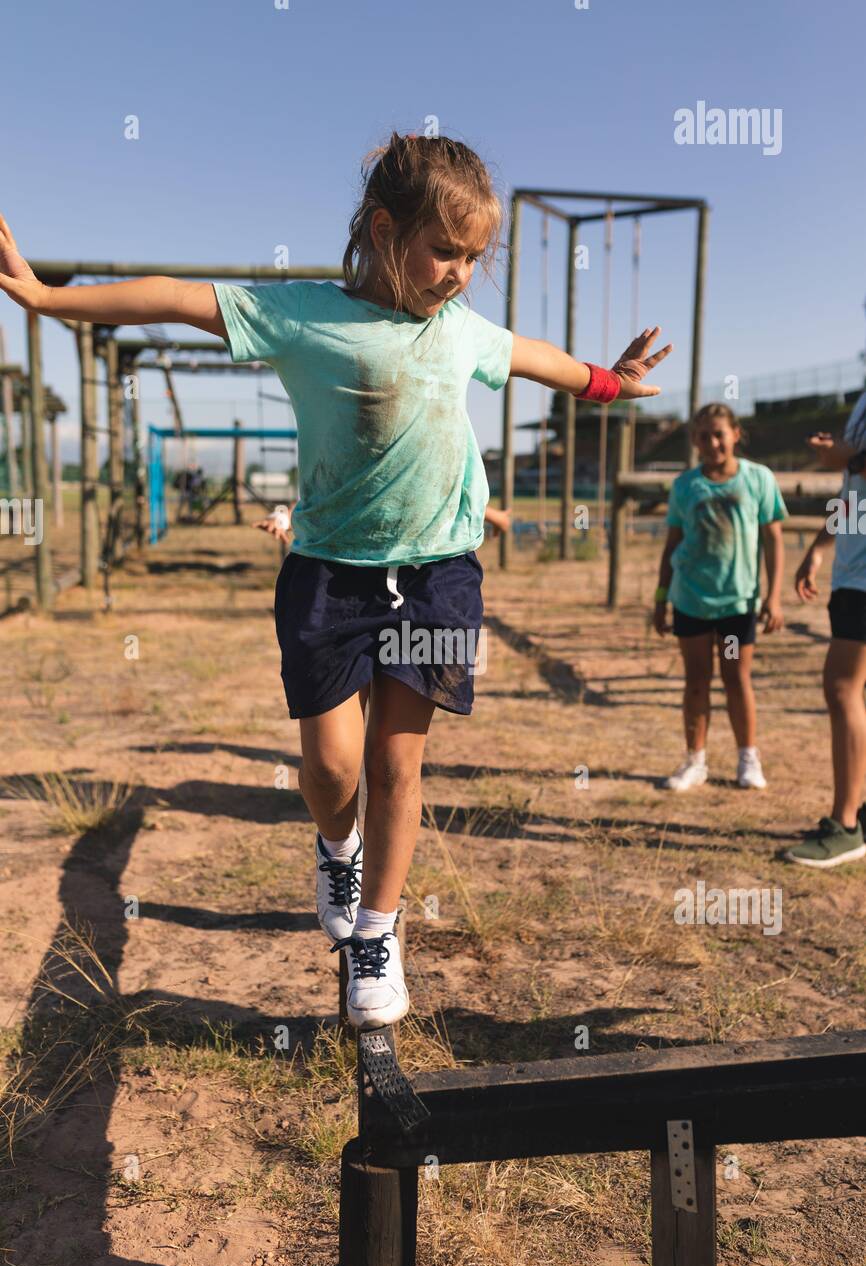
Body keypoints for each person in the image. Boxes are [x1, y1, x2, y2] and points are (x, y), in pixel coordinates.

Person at [0, 133, 671, 1029]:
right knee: (332, 767)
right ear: (385, 230)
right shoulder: (303, 315)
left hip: (437, 574)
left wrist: (609, 383)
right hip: (330, 577)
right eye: (446, 250)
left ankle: (377, 933)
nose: (460, 274)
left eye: (476, 257)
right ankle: (335, 845)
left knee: (397, 762)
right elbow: (171, 298)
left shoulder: (461, 331)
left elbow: (537, 359)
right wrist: (50, 298)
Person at [654, 403, 787, 791]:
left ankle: (748, 757)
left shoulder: (758, 479)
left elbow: (773, 539)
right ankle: (695, 760)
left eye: (719, 434)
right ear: (694, 441)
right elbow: (671, 544)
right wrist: (660, 598)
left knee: (735, 679)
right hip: (691, 602)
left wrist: (773, 597)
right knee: (696, 681)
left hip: (736, 605)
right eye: (702, 436)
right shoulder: (685, 486)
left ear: (735, 434)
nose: (712, 442)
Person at [785, 386, 866, 866]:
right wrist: (819, 546)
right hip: (852, 571)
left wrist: (847, 457)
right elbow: (852, 495)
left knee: (841, 687)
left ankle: (846, 825)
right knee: (850, 690)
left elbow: (854, 469)